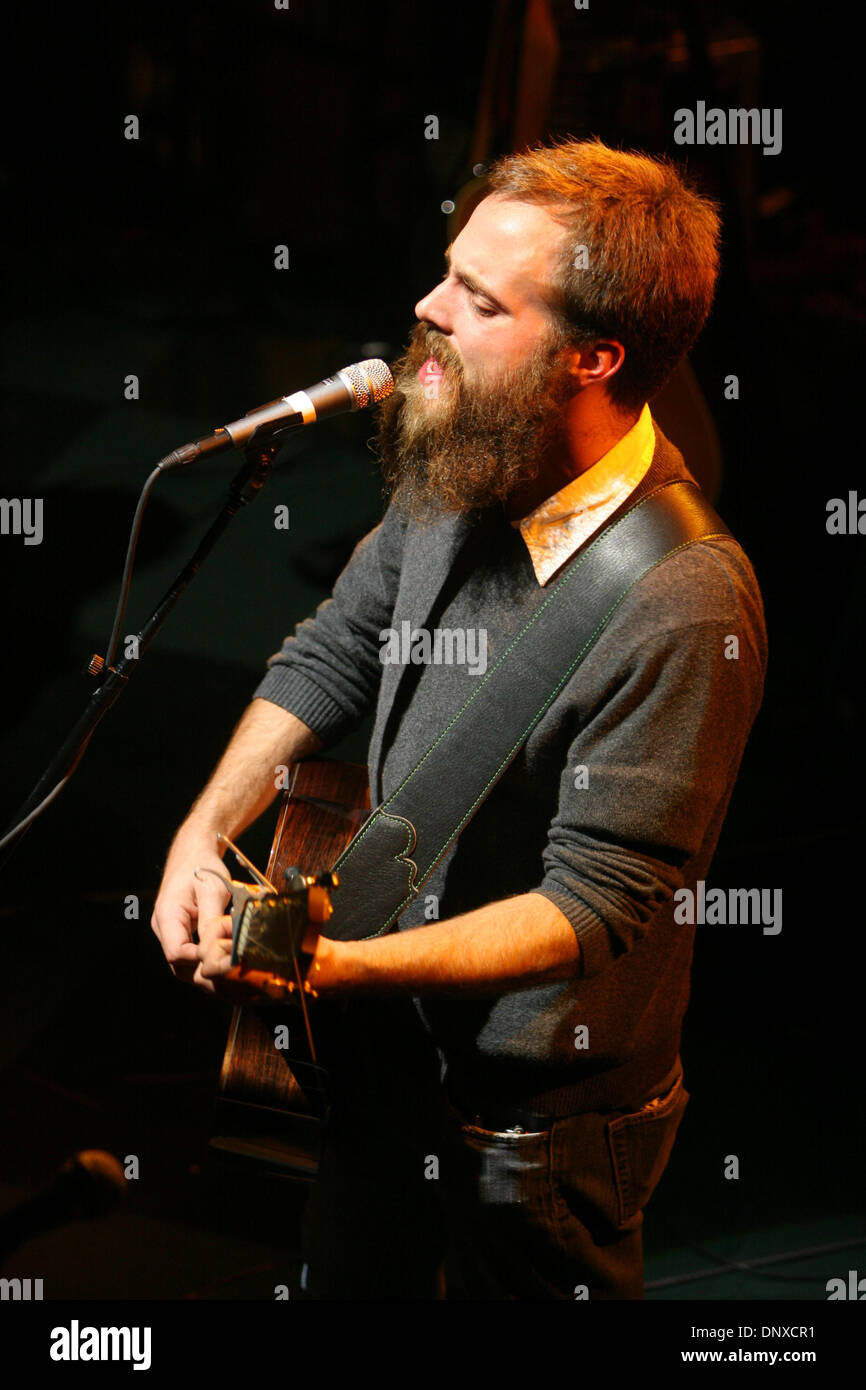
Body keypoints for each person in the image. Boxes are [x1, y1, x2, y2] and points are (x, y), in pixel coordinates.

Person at [151, 137, 767, 1300]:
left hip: (530, 1132)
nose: (425, 312)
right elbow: (336, 647)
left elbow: (593, 906)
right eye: (447, 272)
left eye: (478, 301)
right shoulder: (462, 450)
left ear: (590, 357)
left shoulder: (686, 603)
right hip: (381, 1052)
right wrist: (201, 833)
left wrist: (338, 968)